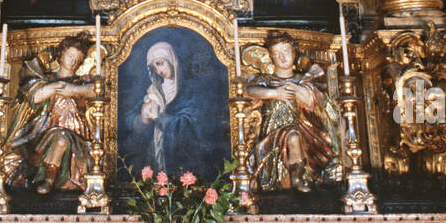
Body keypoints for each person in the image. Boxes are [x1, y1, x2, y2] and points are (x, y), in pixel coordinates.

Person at [246, 32, 340, 191]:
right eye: (276, 54)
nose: (282, 58)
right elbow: (249, 90)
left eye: (285, 52)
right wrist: (274, 93)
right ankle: (292, 178)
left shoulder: (302, 80)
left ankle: (297, 176)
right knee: (290, 137)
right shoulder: (267, 80)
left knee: (293, 136)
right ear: (271, 57)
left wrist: (298, 89)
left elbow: (314, 101)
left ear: (294, 53)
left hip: (301, 130)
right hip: (272, 133)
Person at [122, 40, 225, 179]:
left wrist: (163, 119)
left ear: (171, 59)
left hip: (181, 158)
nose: (158, 71)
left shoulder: (189, 90)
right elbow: (129, 121)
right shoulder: (154, 91)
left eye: (160, 63)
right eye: (154, 67)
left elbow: (196, 127)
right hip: (155, 152)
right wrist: (143, 119)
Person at [4, 37, 95, 194]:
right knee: (58, 139)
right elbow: (35, 97)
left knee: (62, 139)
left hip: (76, 133)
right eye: (70, 56)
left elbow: (97, 90)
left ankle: (50, 180)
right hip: (44, 129)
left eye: (77, 59)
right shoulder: (47, 80)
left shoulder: (81, 82)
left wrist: (73, 90)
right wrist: (56, 87)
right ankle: (44, 177)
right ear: (60, 55)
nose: (73, 62)